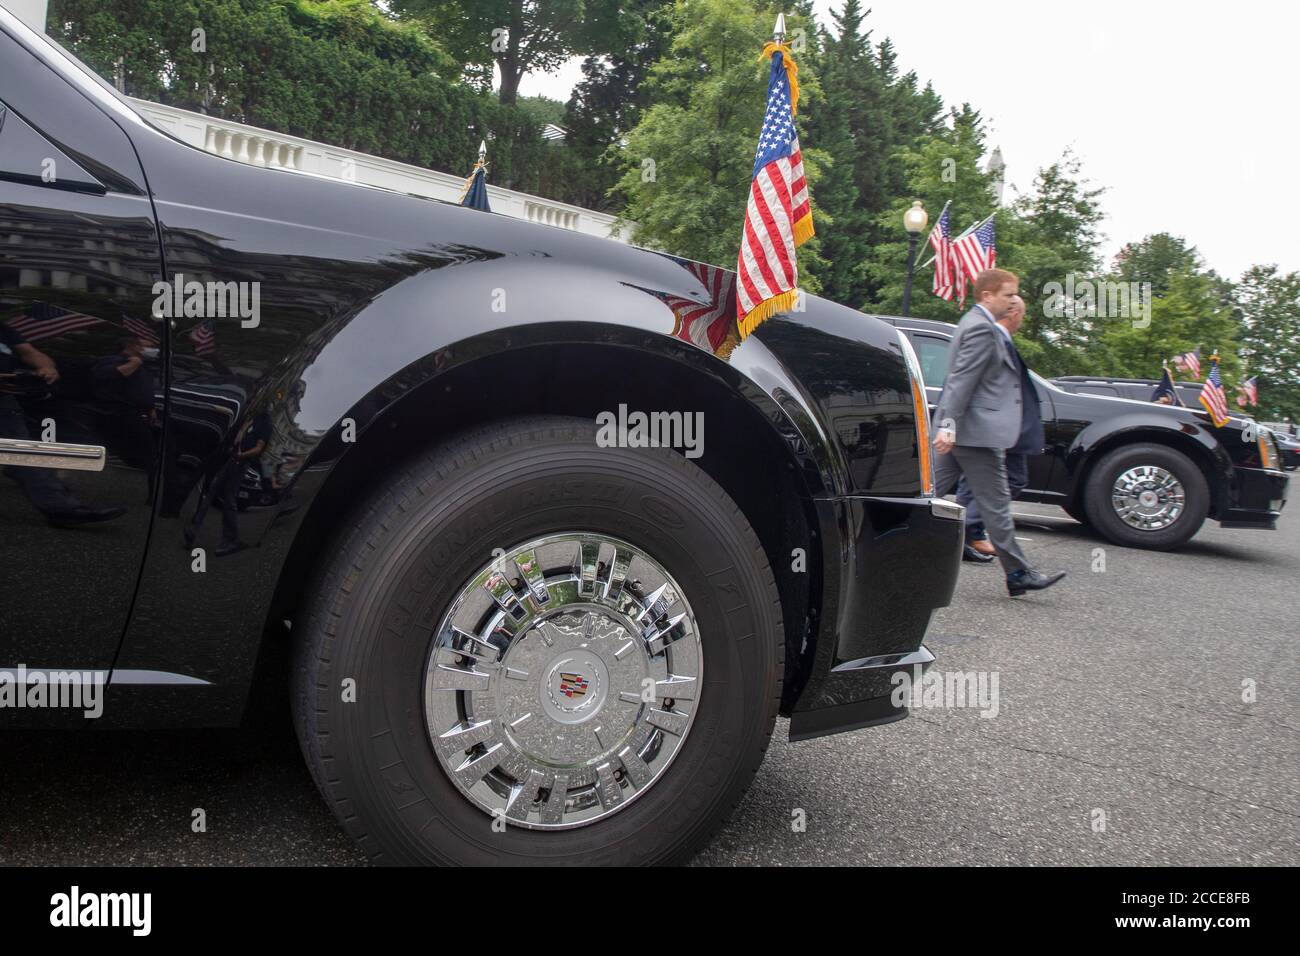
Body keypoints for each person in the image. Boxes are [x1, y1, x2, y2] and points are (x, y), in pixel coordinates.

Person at [932, 269, 1065, 597]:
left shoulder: (980, 325)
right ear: (987, 295)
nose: (1013, 301)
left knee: (926, 493)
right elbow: (962, 381)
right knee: (996, 506)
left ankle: (875, 545)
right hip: (975, 436)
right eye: (1008, 295)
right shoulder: (980, 329)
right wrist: (948, 426)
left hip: (967, 432)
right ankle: (1019, 573)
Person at [1, 323, 125, 527]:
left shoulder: (3, 329)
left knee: (23, 451)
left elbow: (31, 352)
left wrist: (46, 367)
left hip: (4, 398)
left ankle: (60, 508)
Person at [954, 293, 1041, 562]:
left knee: (973, 489)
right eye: (1022, 314)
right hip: (984, 430)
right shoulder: (988, 335)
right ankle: (966, 533)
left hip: (983, 430)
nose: (1022, 320)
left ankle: (965, 536)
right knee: (997, 495)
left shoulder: (995, 336)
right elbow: (963, 381)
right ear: (1013, 313)